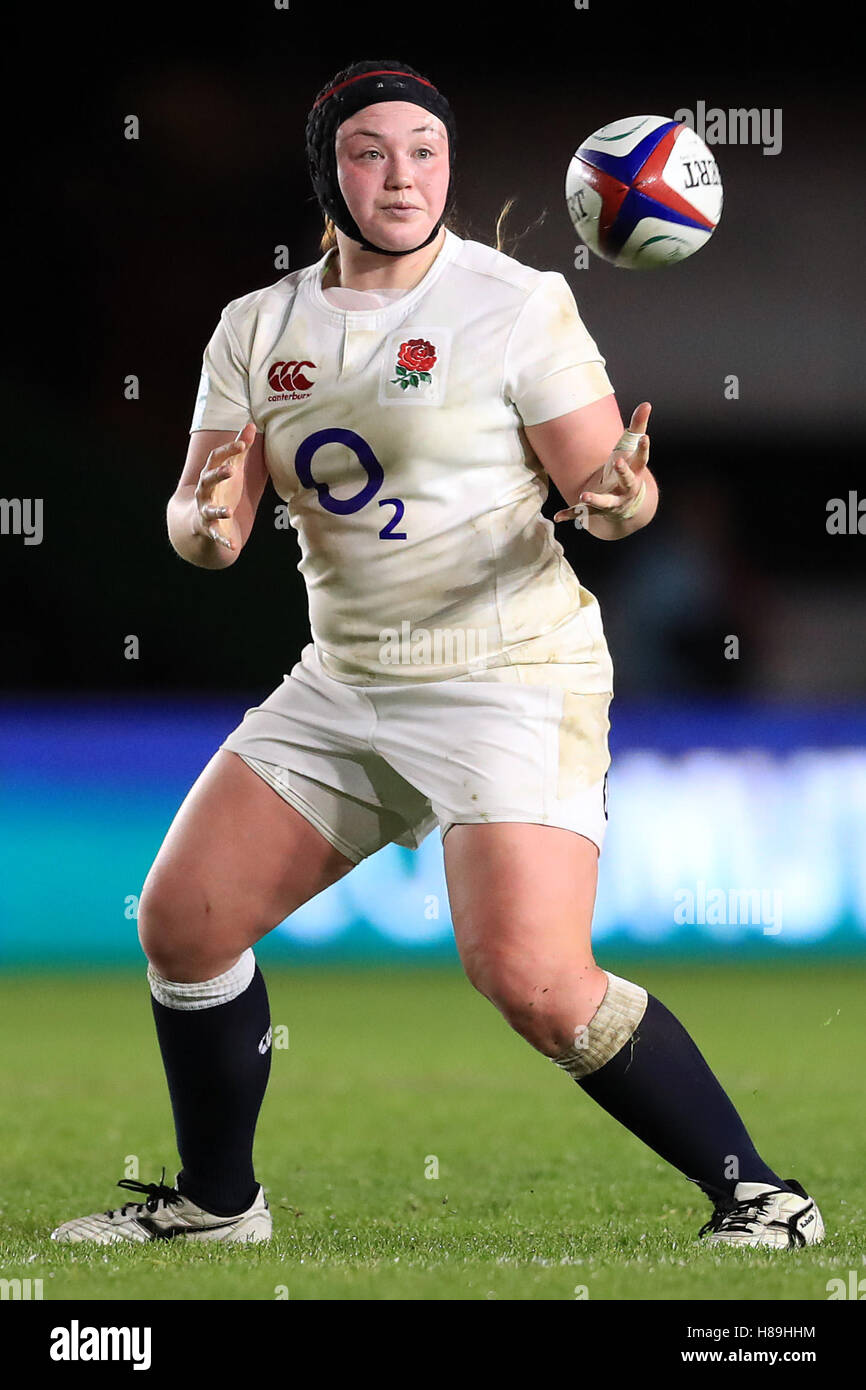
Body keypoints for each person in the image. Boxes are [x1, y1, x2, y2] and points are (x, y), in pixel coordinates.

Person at [52, 59, 823, 1249]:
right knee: (183, 921)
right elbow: (203, 515)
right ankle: (217, 1206)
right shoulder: (256, 329)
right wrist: (200, 527)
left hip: (506, 670)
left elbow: (609, 496)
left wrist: (618, 498)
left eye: (425, 150)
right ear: (330, 171)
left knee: (532, 979)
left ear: (449, 168)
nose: (402, 174)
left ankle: (761, 1194)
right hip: (346, 674)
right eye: (371, 150)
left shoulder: (511, 304)